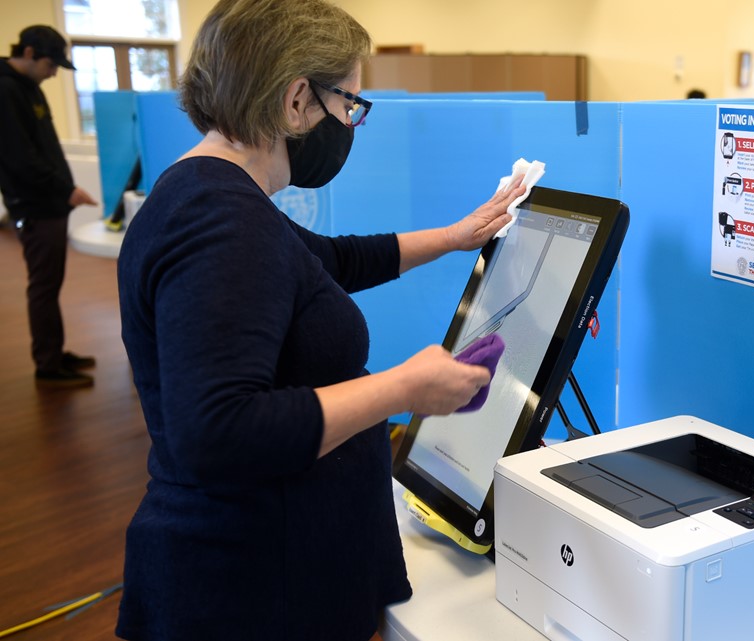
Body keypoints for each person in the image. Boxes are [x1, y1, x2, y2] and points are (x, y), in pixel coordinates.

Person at [114, 0, 526, 639]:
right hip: (250, 590)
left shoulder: (208, 191)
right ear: (298, 100)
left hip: (257, 567)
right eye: (350, 105)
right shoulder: (222, 222)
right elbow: (219, 433)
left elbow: (328, 261)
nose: (352, 125)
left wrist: (453, 237)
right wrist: (403, 389)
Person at [0, 25, 99, 388]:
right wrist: (66, 189)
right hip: (35, 206)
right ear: (28, 53)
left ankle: (55, 352)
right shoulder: (7, 91)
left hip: (48, 204)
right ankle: (47, 365)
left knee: (49, 283)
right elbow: (21, 159)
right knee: (43, 286)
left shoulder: (27, 89)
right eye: (49, 63)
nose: (54, 71)